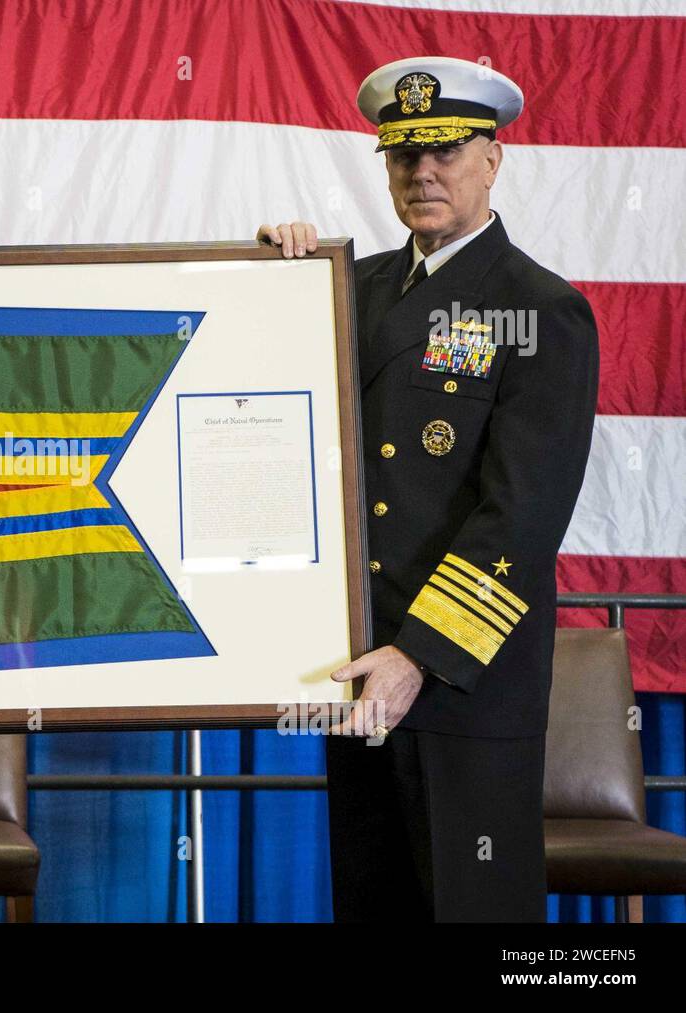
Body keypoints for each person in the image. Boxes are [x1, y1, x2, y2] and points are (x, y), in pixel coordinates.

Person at [260, 56, 599, 921]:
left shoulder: (538, 308)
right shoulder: (346, 285)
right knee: (375, 907)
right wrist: (261, 280)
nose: (423, 173)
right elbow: (268, 410)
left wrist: (420, 656)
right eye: (403, 155)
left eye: (446, 151)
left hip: (458, 679)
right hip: (357, 669)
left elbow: (521, 517)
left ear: (493, 158)